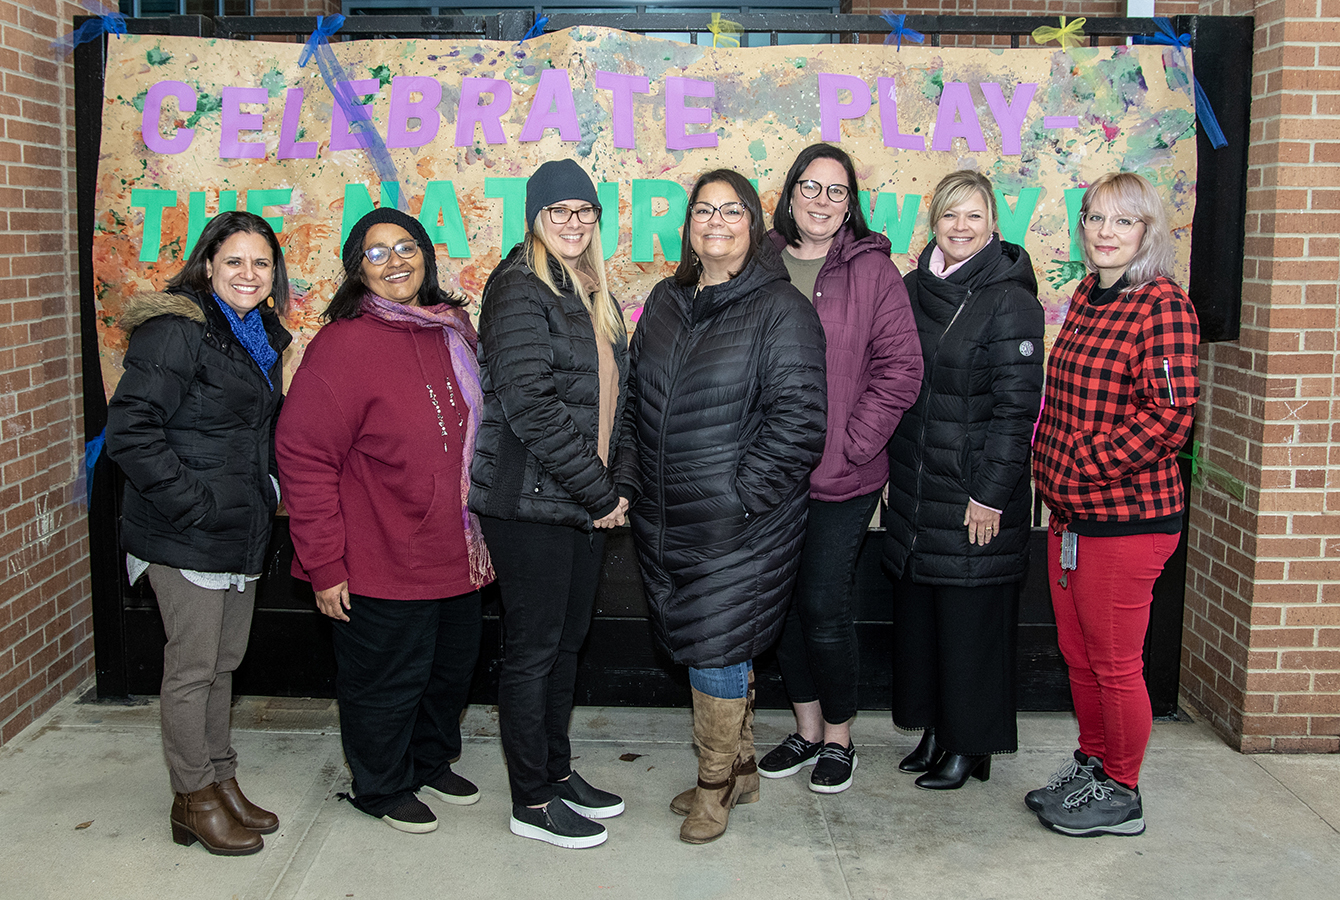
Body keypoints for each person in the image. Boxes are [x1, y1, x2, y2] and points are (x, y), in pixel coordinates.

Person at [618, 169, 827, 844]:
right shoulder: (666, 300)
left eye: (731, 211)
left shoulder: (781, 308)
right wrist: (630, 483)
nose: (715, 222)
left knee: (714, 648)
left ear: (755, 224)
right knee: (714, 644)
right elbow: (632, 405)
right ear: (688, 226)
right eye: (703, 211)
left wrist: (740, 501)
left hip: (739, 525)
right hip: (665, 518)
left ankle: (714, 788)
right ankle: (740, 768)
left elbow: (799, 424)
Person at [276, 208, 493, 835]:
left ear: (426, 256)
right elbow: (303, 454)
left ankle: (428, 762)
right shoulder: (341, 345)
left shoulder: (450, 329)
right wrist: (324, 564)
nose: (395, 262)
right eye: (377, 252)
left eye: (406, 248)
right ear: (356, 267)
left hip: (457, 552)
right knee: (385, 683)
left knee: (449, 672)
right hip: (378, 557)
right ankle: (380, 784)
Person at [105, 210, 292, 856]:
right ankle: (192, 797)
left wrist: (265, 491)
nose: (248, 273)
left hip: (236, 529)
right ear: (208, 263)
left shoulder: (258, 335)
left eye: (261, 263)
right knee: (191, 669)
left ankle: (220, 779)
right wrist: (194, 504)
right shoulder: (177, 330)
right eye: (234, 260)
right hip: (184, 531)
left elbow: (253, 432)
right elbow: (129, 431)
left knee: (223, 664)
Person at [1028, 171, 1199, 837]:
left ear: (1146, 232)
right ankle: (1094, 764)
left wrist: (1080, 462)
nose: (1105, 232)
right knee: (1079, 653)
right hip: (1072, 516)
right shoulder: (1086, 295)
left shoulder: (1162, 304)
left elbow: (1170, 419)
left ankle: (1123, 793)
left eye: (1122, 222)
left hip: (1127, 520)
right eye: (1096, 218)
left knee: (1117, 662)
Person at [468, 159, 629, 850]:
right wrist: (600, 492)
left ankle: (556, 773)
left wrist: (612, 487)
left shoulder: (588, 289)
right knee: (534, 650)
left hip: (583, 501)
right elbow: (530, 407)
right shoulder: (517, 290)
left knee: (567, 645)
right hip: (529, 503)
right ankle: (530, 800)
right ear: (535, 219)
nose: (572, 222)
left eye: (584, 212)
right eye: (558, 212)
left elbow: (614, 404)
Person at [756, 144, 923, 794]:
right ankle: (803, 727)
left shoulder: (872, 271)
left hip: (843, 475)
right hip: (769, 476)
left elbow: (901, 367)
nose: (822, 201)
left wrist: (856, 441)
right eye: (811, 187)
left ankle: (839, 738)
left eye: (836, 191)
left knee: (824, 603)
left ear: (850, 203)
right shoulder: (760, 262)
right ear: (790, 193)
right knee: (784, 605)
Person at [882, 170, 1044, 791]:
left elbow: (1015, 410)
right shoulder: (910, 288)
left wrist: (991, 493)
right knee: (927, 619)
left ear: (993, 225)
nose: (960, 227)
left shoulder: (1011, 300)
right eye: (949, 215)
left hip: (975, 492)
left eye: (973, 216)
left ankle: (969, 743)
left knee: (972, 621)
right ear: (933, 224)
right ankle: (936, 728)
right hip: (919, 487)